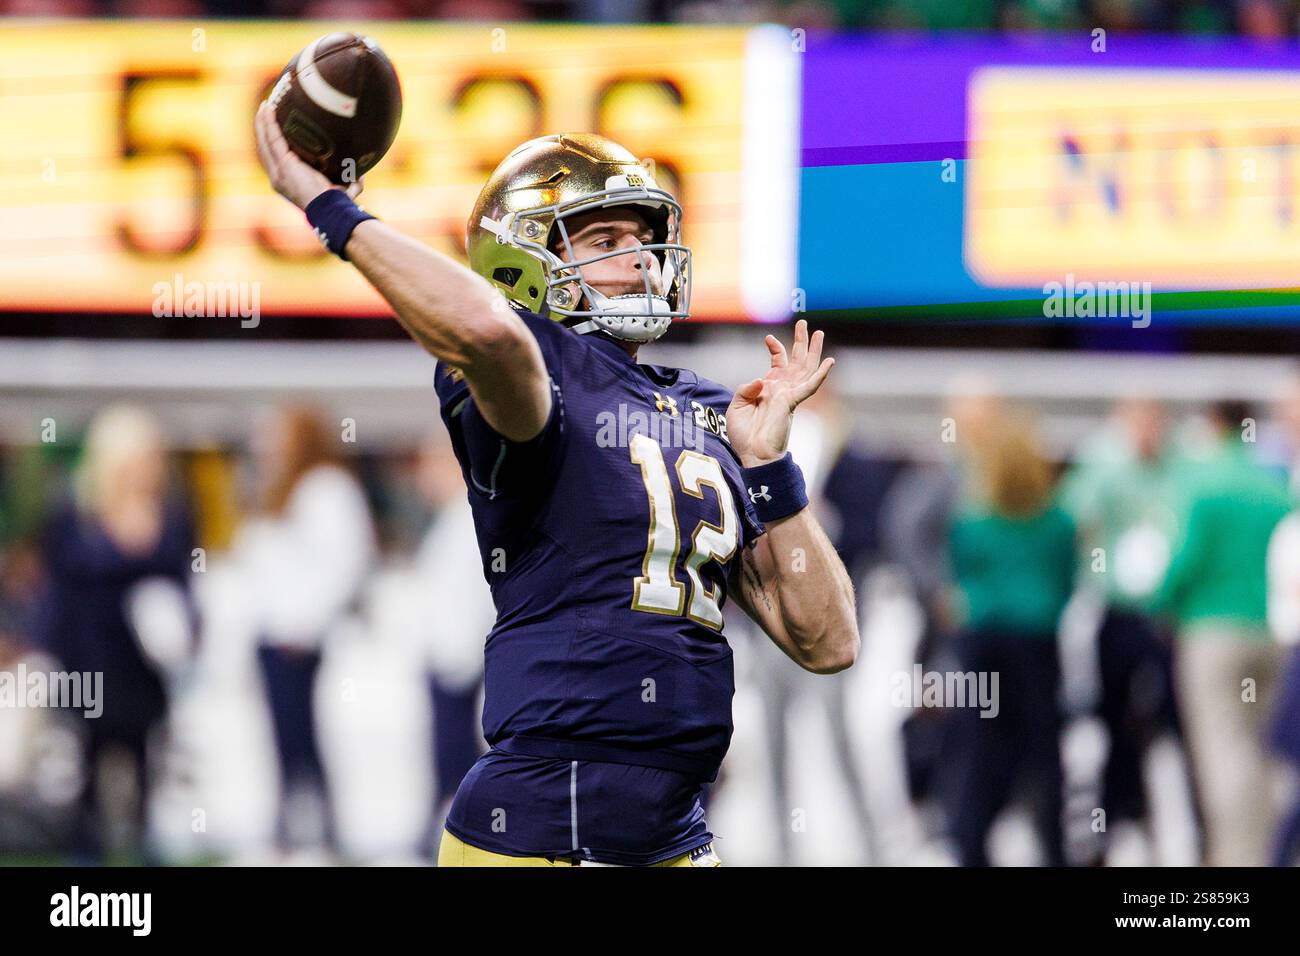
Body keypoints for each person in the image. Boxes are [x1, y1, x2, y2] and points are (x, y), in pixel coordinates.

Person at [254, 111, 860, 866]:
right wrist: (332, 209)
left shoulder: (710, 411)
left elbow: (830, 640)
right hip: (538, 825)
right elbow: (489, 334)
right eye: (607, 241)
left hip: (674, 832)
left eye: (644, 238)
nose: (640, 260)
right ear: (525, 260)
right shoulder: (535, 369)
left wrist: (771, 472)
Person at [33, 404, 196, 862]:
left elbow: (183, 580)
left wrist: (183, 628)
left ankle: (144, 847)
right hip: (89, 662)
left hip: (142, 667)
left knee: (145, 764)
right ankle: (85, 858)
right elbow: (63, 587)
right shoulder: (76, 512)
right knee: (87, 767)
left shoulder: (170, 512)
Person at [1150, 399, 1292, 866]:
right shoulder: (1274, 489)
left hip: (1213, 632)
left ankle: (1237, 860)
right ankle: (1272, 849)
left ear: (1213, 425)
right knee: (1267, 749)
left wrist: (1160, 604)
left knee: (1223, 752)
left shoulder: (1202, 487)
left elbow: (1183, 561)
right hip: (1271, 634)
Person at [236, 405, 375, 855]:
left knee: (303, 736)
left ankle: (321, 831)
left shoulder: (327, 489)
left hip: (298, 639)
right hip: (273, 636)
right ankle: (291, 827)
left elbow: (346, 564)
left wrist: (305, 624)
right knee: (283, 737)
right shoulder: (279, 489)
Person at [1058, 397, 1192, 862]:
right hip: (1118, 611)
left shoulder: (1182, 466)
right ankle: (1115, 821)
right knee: (1113, 725)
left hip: (1168, 617)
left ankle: (1187, 831)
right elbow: (1074, 520)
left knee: (1179, 724)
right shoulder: (1102, 464)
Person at [941, 406, 1075, 866]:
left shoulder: (973, 521)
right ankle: (1054, 851)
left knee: (979, 753)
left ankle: (972, 850)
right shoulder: (1059, 522)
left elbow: (961, 580)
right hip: (1037, 645)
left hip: (985, 644)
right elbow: (1067, 584)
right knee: (1044, 756)